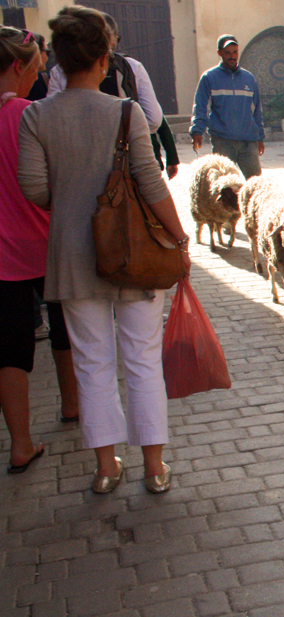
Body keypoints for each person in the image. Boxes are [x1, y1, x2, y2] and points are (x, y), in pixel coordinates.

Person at [18, 6, 191, 494]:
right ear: (103, 56)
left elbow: (33, 187)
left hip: (72, 256)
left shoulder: (36, 115)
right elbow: (151, 183)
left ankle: (105, 467)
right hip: (133, 251)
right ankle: (154, 468)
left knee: (91, 362)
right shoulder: (124, 111)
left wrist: (74, 203)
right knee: (142, 359)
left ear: (60, 59)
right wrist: (178, 239)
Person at [0, 26, 79, 475]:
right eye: (35, 65)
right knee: (64, 329)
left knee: (9, 349)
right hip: (47, 244)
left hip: (2, 256)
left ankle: (20, 445)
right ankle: (72, 407)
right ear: (17, 65)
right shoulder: (32, 115)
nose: (42, 72)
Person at [47, 12, 163, 133]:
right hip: (121, 146)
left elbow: (51, 115)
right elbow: (153, 120)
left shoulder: (59, 70)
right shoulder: (132, 66)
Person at [190, 34, 265, 178]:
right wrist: (197, 132)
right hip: (223, 141)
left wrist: (260, 137)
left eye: (235, 52)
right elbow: (200, 106)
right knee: (225, 187)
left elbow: (257, 110)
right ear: (219, 53)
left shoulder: (249, 78)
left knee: (255, 186)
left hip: (248, 142)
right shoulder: (209, 77)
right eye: (227, 53)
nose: (232, 56)